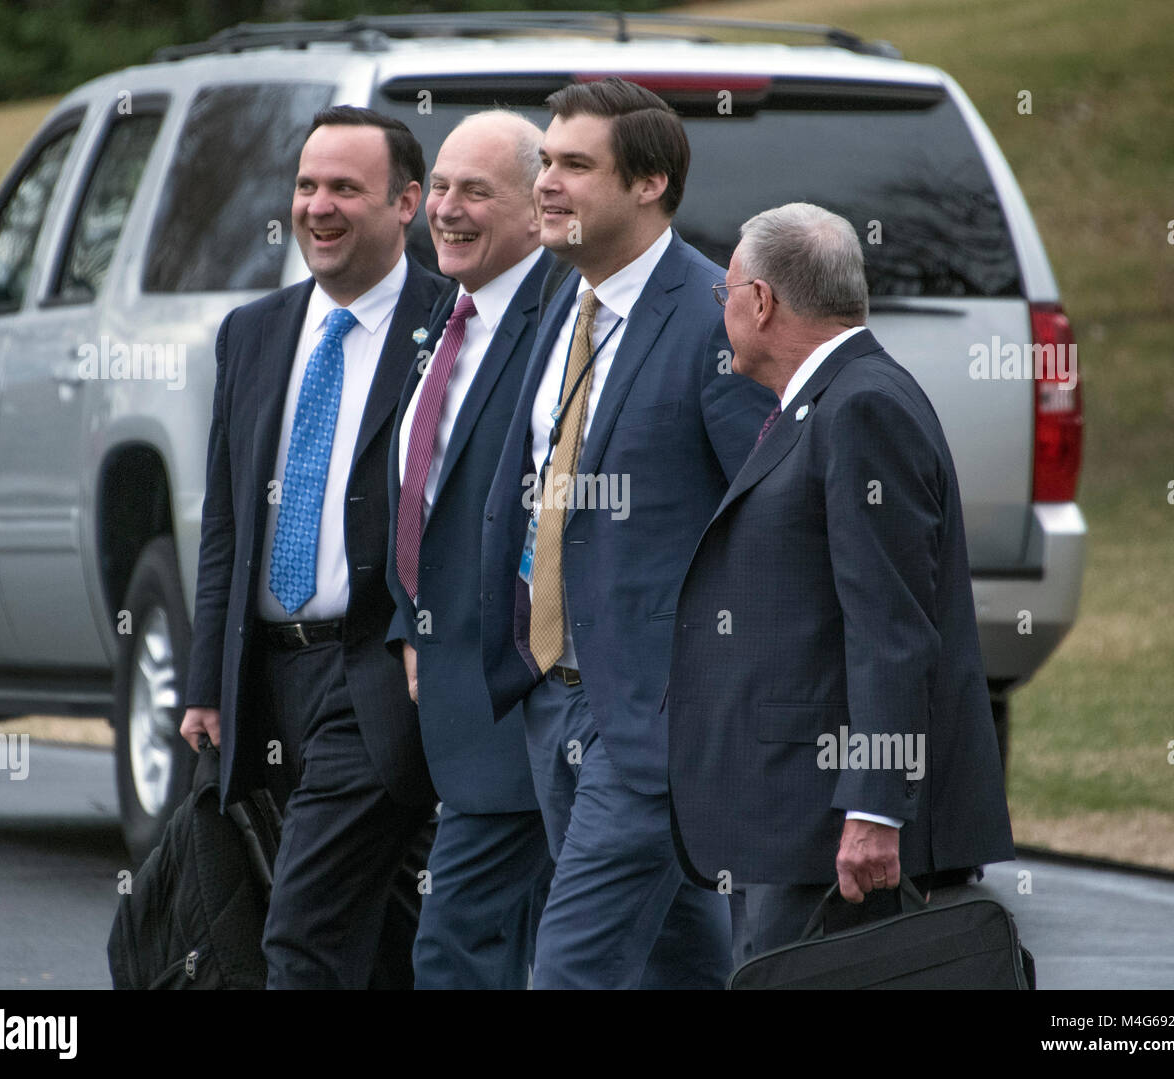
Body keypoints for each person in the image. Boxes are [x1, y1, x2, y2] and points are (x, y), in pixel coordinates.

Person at [479, 78, 776, 989]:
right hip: (554, 697)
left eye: (576, 165)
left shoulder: (712, 314)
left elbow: (767, 518)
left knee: (569, 968)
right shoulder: (563, 303)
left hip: (655, 714)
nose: (548, 185)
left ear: (649, 184)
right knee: (677, 962)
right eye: (545, 164)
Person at [666, 202, 1015, 966]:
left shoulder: (860, 407)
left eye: (726, 293)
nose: (722, 310)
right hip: (792, 815)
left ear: (760, 301)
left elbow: (892, 628)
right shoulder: (834, 399)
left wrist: (874, 808)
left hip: (826, 829)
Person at [179, 105, 446, 989]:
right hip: (268, 679)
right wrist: (208, 679)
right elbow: (227, 524)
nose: (317, 207)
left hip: (375, 671)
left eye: (344, 187)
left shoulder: (452, 326)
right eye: (305, 185)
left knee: (302, 929)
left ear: (407, 203)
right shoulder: (253, 332)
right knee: (365, 931)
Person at [384, 110, 555, 989]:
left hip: (525, 702)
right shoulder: (448, 315)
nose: (445, 208)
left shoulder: (564, 319)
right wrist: (410, 619)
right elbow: (423, 487)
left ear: (538, 208)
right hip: (444, 686)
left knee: (457, 951)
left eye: (474, 191)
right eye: (440, 187)